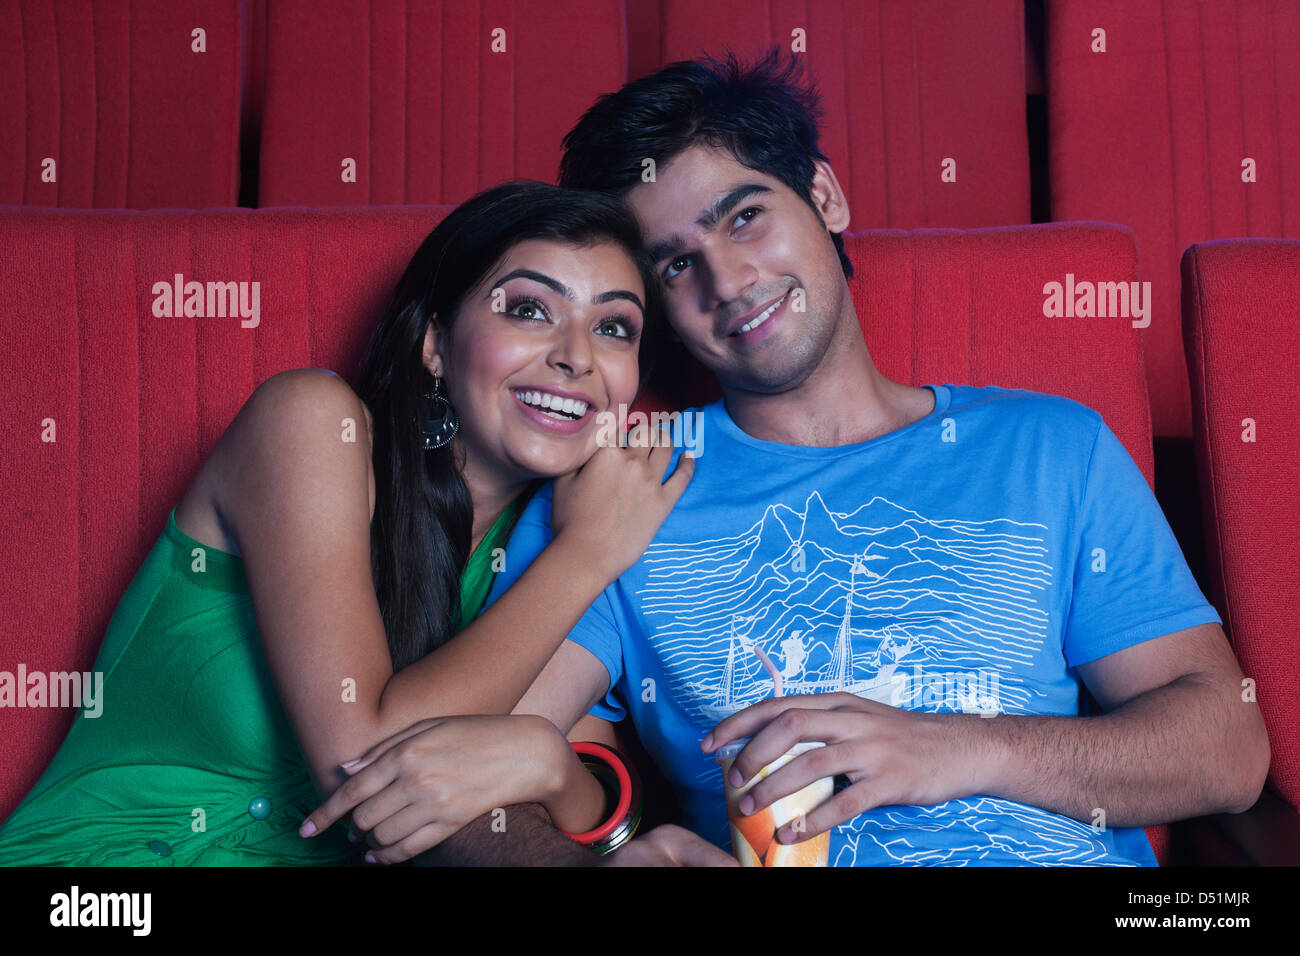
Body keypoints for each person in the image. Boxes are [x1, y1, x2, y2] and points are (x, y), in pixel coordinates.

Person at [310, 51, 1271, 867]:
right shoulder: (622, 488)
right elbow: (459, 786)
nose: (729, 281)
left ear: (824, 196)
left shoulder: (1051, 446)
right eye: (675, 264)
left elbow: (1228, 750)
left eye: (744, 217)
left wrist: (955, 750)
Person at [0, 181, 718, 866]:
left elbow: (560, 797)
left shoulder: (553, 539)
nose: (576, 357)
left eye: (614, 327)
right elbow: (366, 772)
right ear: (435, 343)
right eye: (529, 310)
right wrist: (587, 554)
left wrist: (551, 767)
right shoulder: (312, 424)